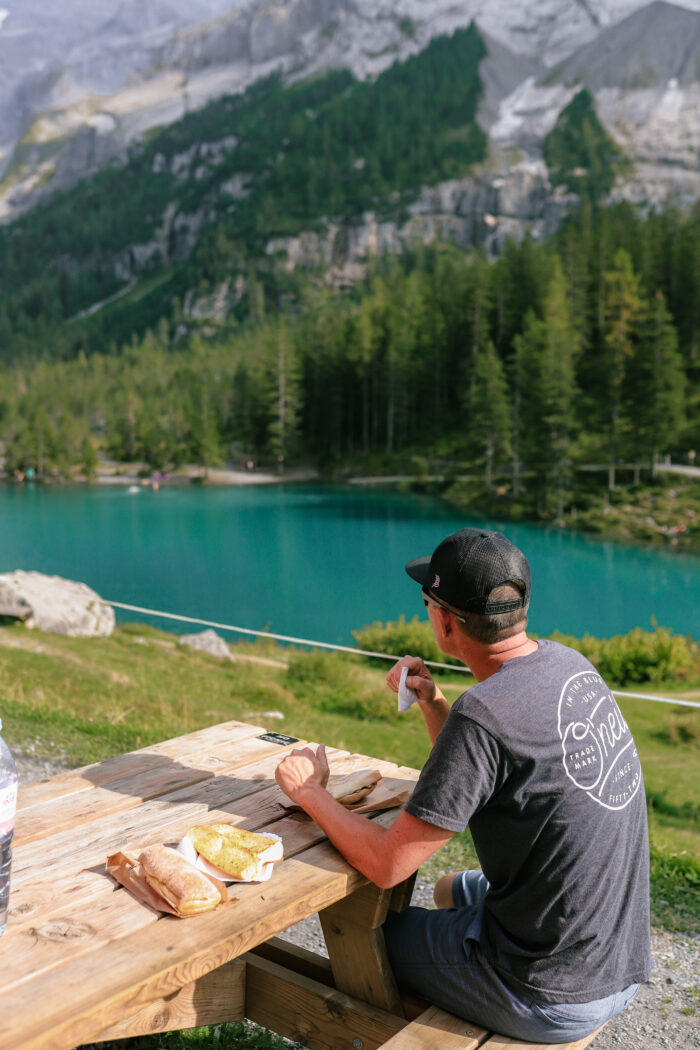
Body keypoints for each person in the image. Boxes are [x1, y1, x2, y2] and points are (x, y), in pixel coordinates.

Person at [275, 527, 651, 1043]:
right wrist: (433, 702)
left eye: (427, 601)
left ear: (444, 620)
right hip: (616, 955)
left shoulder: (483, 715)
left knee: (365, 929)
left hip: (548, 991)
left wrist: (309, 792)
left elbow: (388, 865)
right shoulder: (569, 664)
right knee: (451, 888)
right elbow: (473, 777)